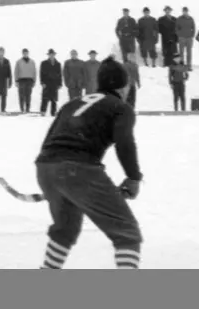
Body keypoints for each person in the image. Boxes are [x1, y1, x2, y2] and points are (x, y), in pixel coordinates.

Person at [34, 56, 143, 270]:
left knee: (65, 230)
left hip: (46, 167)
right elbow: (125, 143)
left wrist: (55, 183)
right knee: (127, 233)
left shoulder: (72, 104)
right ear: (122, 86)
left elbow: (49, 142)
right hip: (78, 168)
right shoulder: (120, 108)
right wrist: (133, 178)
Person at [39, 49, 63, 116]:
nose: (51, 55)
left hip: (54, 83)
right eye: (50, 54)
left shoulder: (58, 64)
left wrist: (60, 83)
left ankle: (53, 112)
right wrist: (42, 83)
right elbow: (41, 74)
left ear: (54, 55)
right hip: (46, 83)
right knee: (45, 98)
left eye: (53, 54)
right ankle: (43, 111)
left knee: (54, 99)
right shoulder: (44, 63)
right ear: (48, 55)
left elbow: (60, 75)